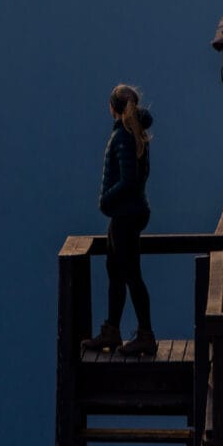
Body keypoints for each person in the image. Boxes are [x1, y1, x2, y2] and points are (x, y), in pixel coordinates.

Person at [81, 83, 156, 357]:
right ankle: (112, 329)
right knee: (116, 270)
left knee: (130, 274)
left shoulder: (123, 137)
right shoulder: (135, 134)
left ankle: (145, 334)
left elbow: (128, 180)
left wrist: (106, 200)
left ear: (113, 107)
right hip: (129, 213)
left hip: (124, 214)